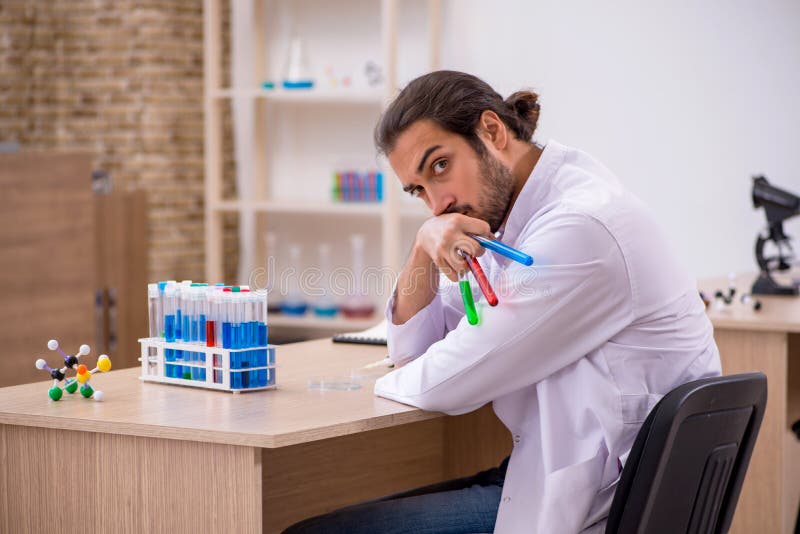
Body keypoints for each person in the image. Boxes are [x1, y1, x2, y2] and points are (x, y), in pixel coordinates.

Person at [284, 70, 721, 534]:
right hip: (552, 474)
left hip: (601, 507)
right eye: (418, 190)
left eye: (439, 166)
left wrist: (388, 380)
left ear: (491, 131)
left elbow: (440, 384)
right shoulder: (509, 218)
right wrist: (421, 250)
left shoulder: (580, 226)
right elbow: (413, 351)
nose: (438, 204)